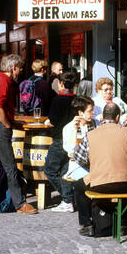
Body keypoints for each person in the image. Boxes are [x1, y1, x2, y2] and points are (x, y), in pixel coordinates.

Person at [77, 101, 127, 238]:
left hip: (100, 183)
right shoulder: (126, 131)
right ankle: (123, 222)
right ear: (117, 117)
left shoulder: (90, 134)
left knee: (78, 187)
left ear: (103, 117)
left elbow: (79, 157)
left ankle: (87, 225)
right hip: (126, 183)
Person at [0, 54, 37, 214]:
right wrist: (8, 125)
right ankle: (20, 203)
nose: (20, 72)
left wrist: (12, 123)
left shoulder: (1, 81)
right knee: (10, 166)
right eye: (19, 69)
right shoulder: (3, 82)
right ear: (13, 67)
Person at [43, 69, 80, 210]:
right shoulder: (75, 99)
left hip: (59, 139)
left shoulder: (58, 99)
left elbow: (52, 121)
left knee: (50, 170)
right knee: (65, 172)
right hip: (72, 139)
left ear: (62, 83)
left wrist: (47, 123)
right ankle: (68, 200)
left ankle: (68, 197)